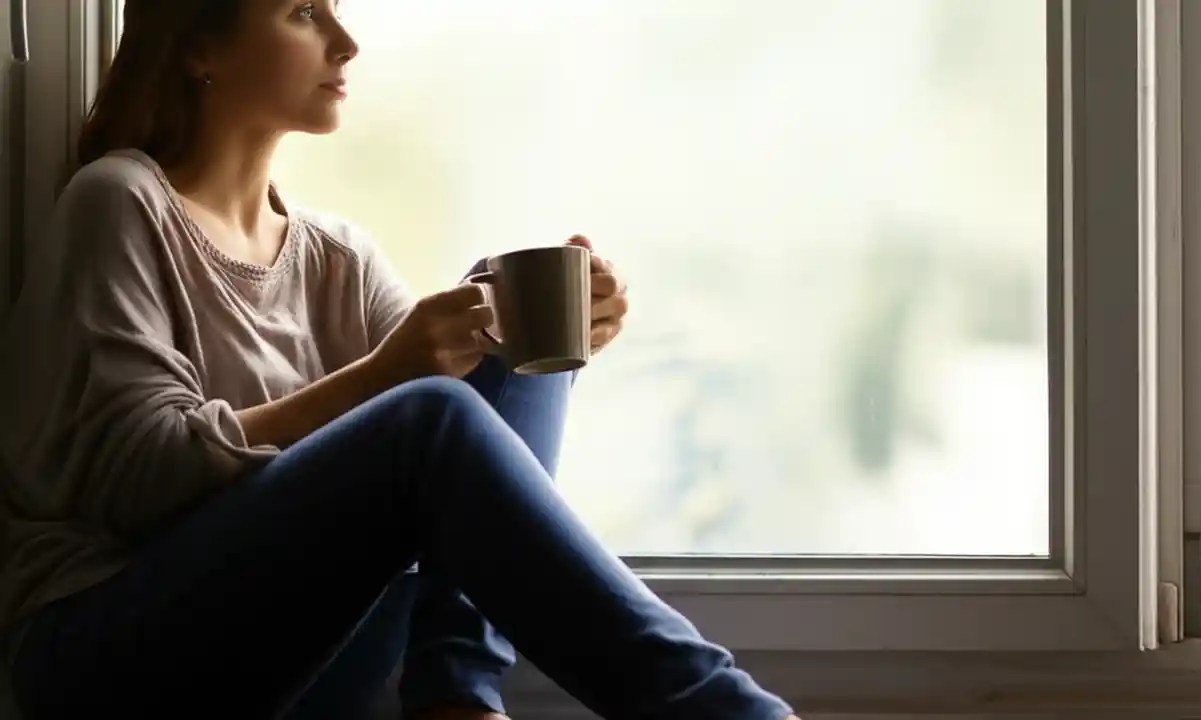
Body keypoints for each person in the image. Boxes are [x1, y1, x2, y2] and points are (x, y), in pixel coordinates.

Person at [0, 1, 802, 719]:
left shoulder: (337, 258)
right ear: (198, 48)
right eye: (304, 13)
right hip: (108, 655)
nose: (346, 43)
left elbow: (461, 427)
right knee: (431, 413)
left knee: (511, 320)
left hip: (298, 667)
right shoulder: (121, 201)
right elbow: (138, 478)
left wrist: (570, 320)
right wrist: (384, 375)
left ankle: (456, 698)